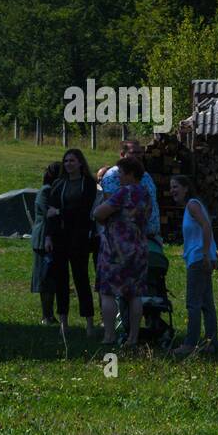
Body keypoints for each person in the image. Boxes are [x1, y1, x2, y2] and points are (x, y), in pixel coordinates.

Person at [94, 155, 151, 346]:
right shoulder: (145, 193)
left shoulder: (123, 192)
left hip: (115, 250)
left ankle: (109, 335)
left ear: (130, 174)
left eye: (121, 173)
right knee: (135, 294)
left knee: (108, 292)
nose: (118, 177)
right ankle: (133, 337)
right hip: (139, 248)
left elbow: (98, 213)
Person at [45, 148, 99, 338]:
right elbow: (50, 212)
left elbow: (83, 211)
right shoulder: (59, 184)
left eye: (72, 161)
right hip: (60, 237)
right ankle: (63, 323)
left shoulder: (88, 184)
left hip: (80, 238)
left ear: (80, 163)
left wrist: (60, 213)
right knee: (61, 280)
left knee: (81, 279)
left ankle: (89, 323)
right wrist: (48, 236)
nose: (68, 164)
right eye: (66, 161)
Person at [169, 175, 218, 357]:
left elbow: (206, 226)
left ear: (186, 188)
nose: (172, 190)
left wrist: (206, 253)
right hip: (201, 258)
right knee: (206, 304)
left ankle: (190, 344)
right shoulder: (194, 205)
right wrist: (213, 253)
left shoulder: (192, 205)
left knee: (194, 304)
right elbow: (206, 228)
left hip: (198, 260)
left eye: (176, 187)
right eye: (171, 187)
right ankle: (210, 343)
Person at [101, 139, 160, 240]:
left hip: (151, 237)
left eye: (140, 152)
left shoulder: (145, 175)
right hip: (127, 239)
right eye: (134, 153)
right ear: (122, 154)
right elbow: (109, 208)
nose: (138, 156)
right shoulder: (113, 176)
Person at [31, 161, 62, 325]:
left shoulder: (49, 190)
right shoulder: (46, 191)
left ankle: (49, 315)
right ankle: (46, 315)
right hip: (43, 239)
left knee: (51, 279)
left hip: (49, 238)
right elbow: (49, 213)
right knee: (46, 279)